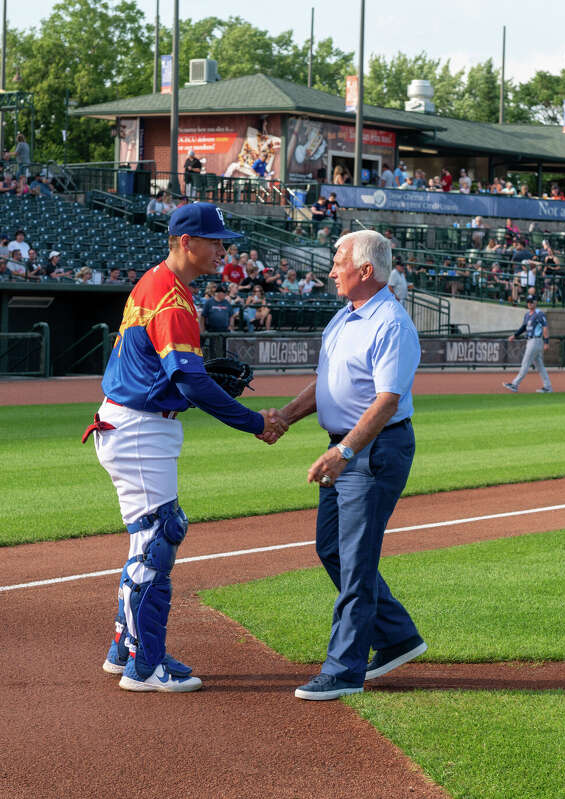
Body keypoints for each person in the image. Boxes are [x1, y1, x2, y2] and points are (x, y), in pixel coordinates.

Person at [90, 202, 286, 693]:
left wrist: (188, 387)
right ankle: (145, 666)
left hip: (132, 422)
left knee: (147, 538)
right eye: (215, 240)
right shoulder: (173, 300)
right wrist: (253, 422)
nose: (224, 249)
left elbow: (171, 376)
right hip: (139, 428)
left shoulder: (157, 282)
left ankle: (125, 647)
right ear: (186, 242)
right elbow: (191, 381)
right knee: (160, 536)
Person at [272, 229, 427, 701]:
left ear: (366, 271)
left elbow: (386, 402)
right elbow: (325, 385)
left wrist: (345, 452)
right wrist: (283, 417)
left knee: (357, 561)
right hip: (346, 448)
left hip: (373, 450)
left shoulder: (392, 324)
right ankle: (398, 636)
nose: (331, 268)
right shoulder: (344, 317)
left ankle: (344, 669)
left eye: (339, 260)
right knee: (332, 550)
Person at [502, 297, 552, 393]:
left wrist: (546, 342)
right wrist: (515, 335)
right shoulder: (527, 315)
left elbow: (545, 328)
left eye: (531, 302)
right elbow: (524, 327)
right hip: (530, 341)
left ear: (535, 302)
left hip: (535, 340)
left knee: (525, 363)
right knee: (539, 366)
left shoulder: (539, 314)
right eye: (528, 302)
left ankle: (515, 384)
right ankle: (548, 386)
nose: (529, 304)